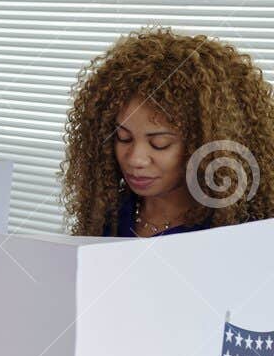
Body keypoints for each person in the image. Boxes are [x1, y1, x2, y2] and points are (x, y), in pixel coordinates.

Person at [62, 27, 274, 236]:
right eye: (123, 137)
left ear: (205, 145)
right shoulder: (110, 216)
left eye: (160, 143)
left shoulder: (235, 231)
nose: (136, 159)